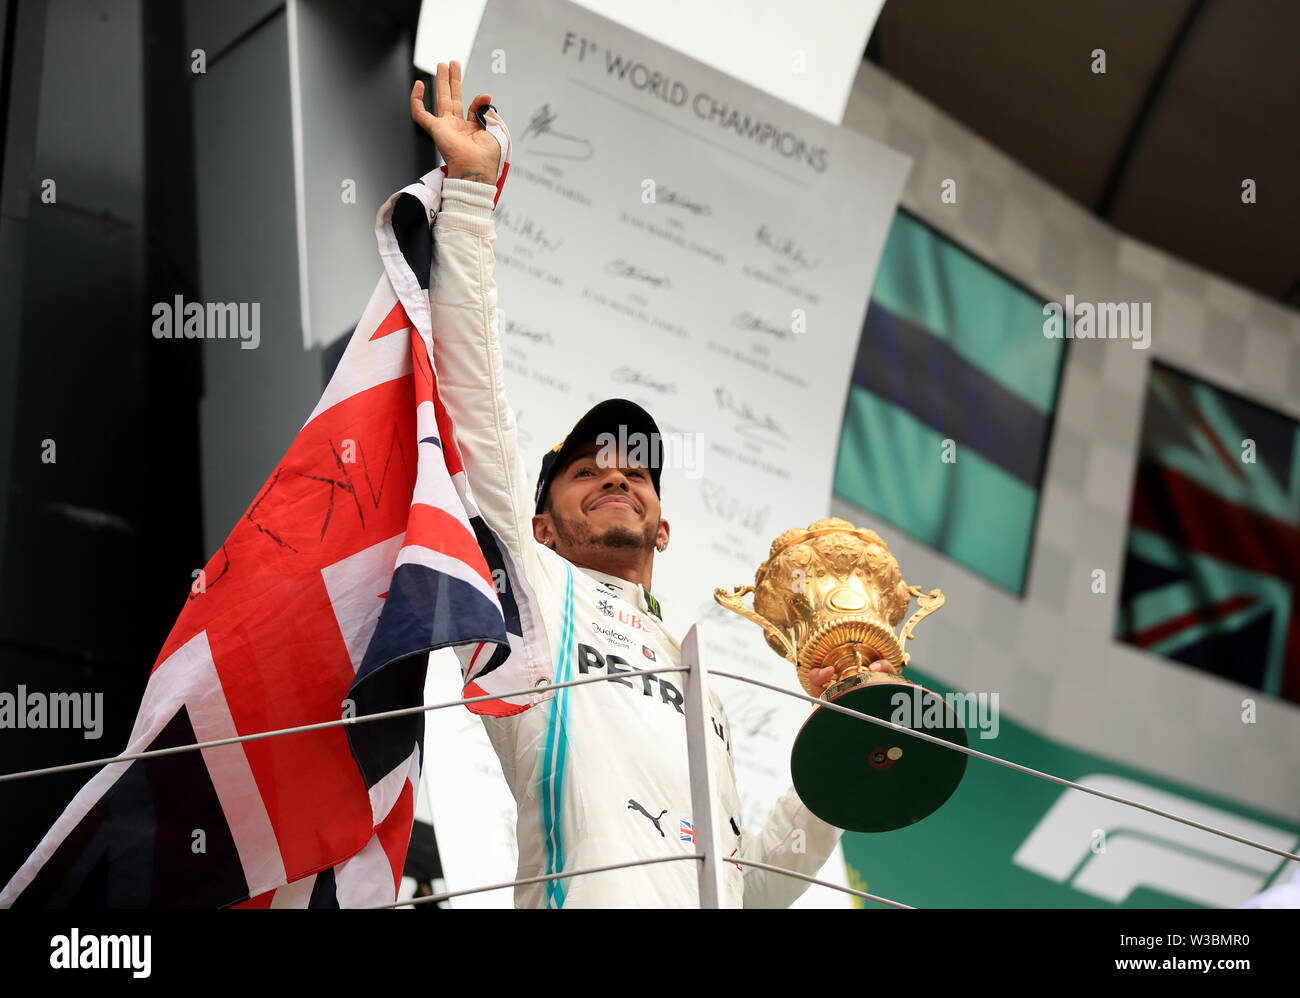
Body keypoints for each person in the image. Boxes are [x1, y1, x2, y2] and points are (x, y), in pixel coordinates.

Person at [410, 61, 899, 908]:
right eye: (585, 467)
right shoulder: (534, 594)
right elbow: (477, 415)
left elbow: (743, 889)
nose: (616, 471)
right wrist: (469, 205)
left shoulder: (697, 672)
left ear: (664, 527)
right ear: (544, 527)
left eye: (637, 467)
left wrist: (840, 749)